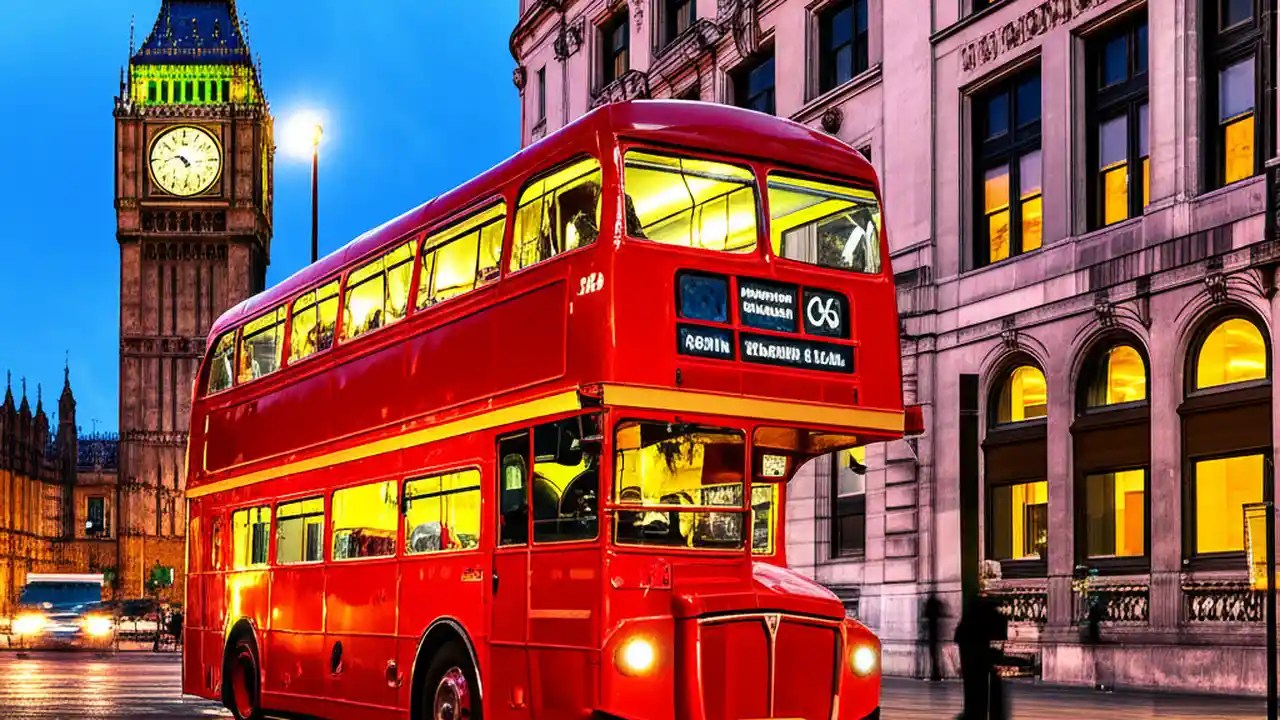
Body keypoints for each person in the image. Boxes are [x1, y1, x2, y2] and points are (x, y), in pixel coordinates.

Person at [923, 593, 945, 682]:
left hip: (933, 636)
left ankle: (936, 673)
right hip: (936, 636)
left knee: (934, 654)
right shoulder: (935, 612)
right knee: (936, 655)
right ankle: (936, 673)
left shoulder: (931, 615)